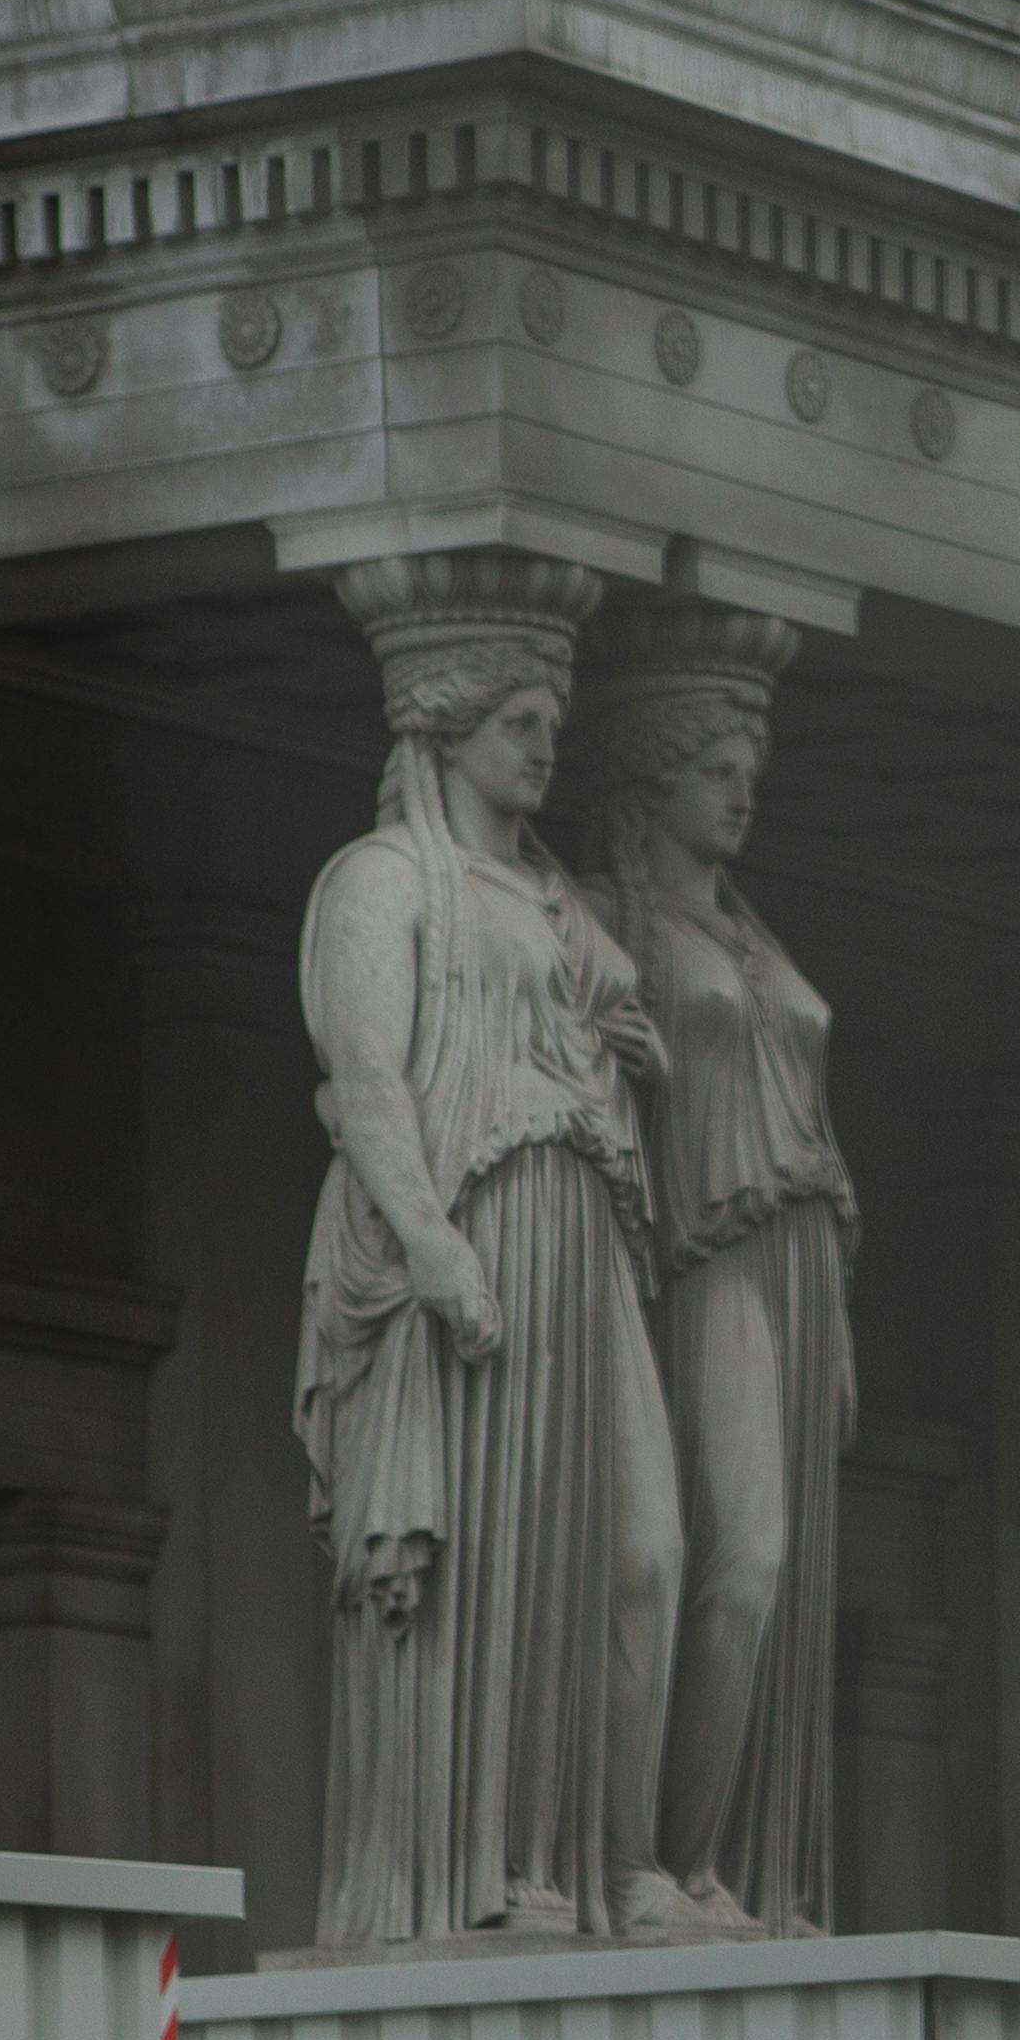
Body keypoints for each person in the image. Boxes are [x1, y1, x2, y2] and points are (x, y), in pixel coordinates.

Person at [295, 551, 703, 1947]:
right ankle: (480, 1870)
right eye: (521, 723)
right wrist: (430, 1240)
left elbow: (602, 1010)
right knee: (488, 1565)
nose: (544, 749)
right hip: (468, 1244)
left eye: (551, 723)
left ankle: (611, 1859)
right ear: (449, 724)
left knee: (641, 1552)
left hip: (579, 1244)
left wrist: (622, 1047)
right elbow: (367, 1079)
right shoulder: (382, 881)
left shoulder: (550, 897)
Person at [572, 601, 859, 1939]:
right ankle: (640, 1857)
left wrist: (839, 1324)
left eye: (751, 770)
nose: (743, 793)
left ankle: (711, 1872)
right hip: (692, 1263)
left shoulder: (754, 936)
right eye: (717, 769)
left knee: (771, 1583)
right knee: (733, 1563)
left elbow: (809, 1125)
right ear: (651, 776)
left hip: (796, 1268)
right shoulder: (603, 919)